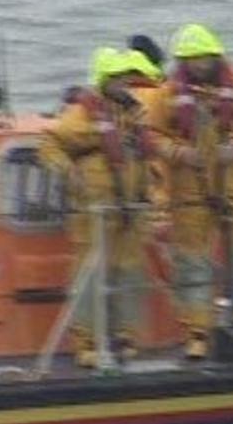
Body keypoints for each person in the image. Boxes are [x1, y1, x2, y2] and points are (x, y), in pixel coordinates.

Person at [147, 23, 233, 359]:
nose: (197, 65)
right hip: (189, 191)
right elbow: (150, 133)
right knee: (192, 263)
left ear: (215, 57)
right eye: (191, 59)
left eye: (203, 58)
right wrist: (178, 151)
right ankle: (197, 332)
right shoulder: (167, 96)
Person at [39, 47, 165, 367]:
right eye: (118, 78)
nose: (125, 83)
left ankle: (126, 336)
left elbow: (149, 158)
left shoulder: (133, 114)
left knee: (130, 273)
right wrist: (70, 174)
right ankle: (86, 342)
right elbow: (50, 145)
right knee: (90, 276)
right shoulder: (82, 116)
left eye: (126, 77)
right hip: (94, 214)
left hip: (131, 211)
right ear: (103, 80)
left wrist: (155, 190)